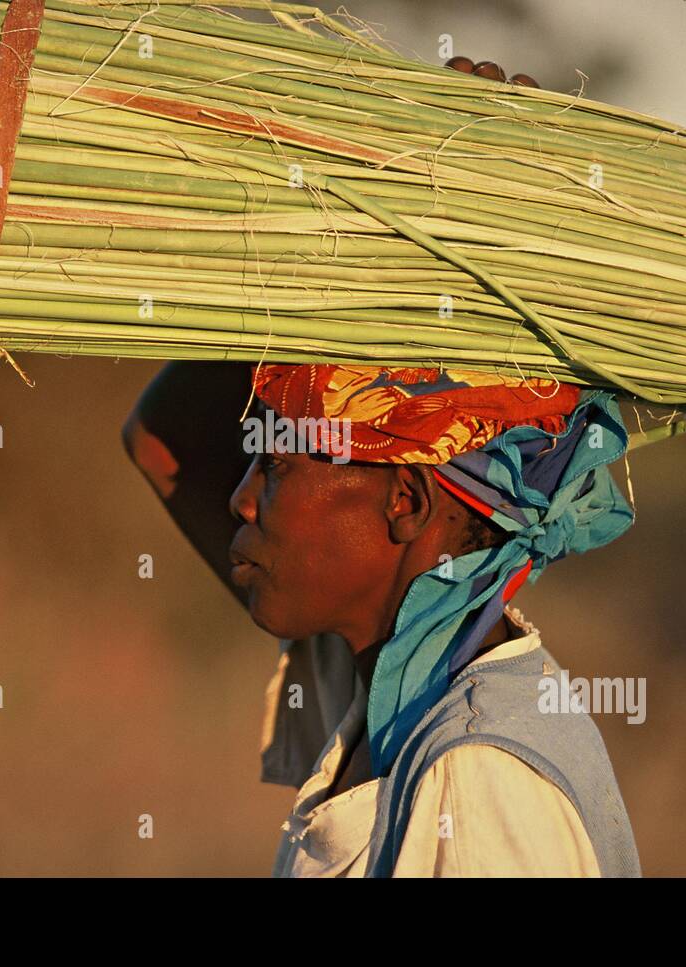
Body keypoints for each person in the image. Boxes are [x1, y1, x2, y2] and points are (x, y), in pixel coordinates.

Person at [121, 59, 640, 880]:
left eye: (276, 469)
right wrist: (375, 222)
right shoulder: (387, 678)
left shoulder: (477, 775)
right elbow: (164, 440)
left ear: (405, 498)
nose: (238, 499)